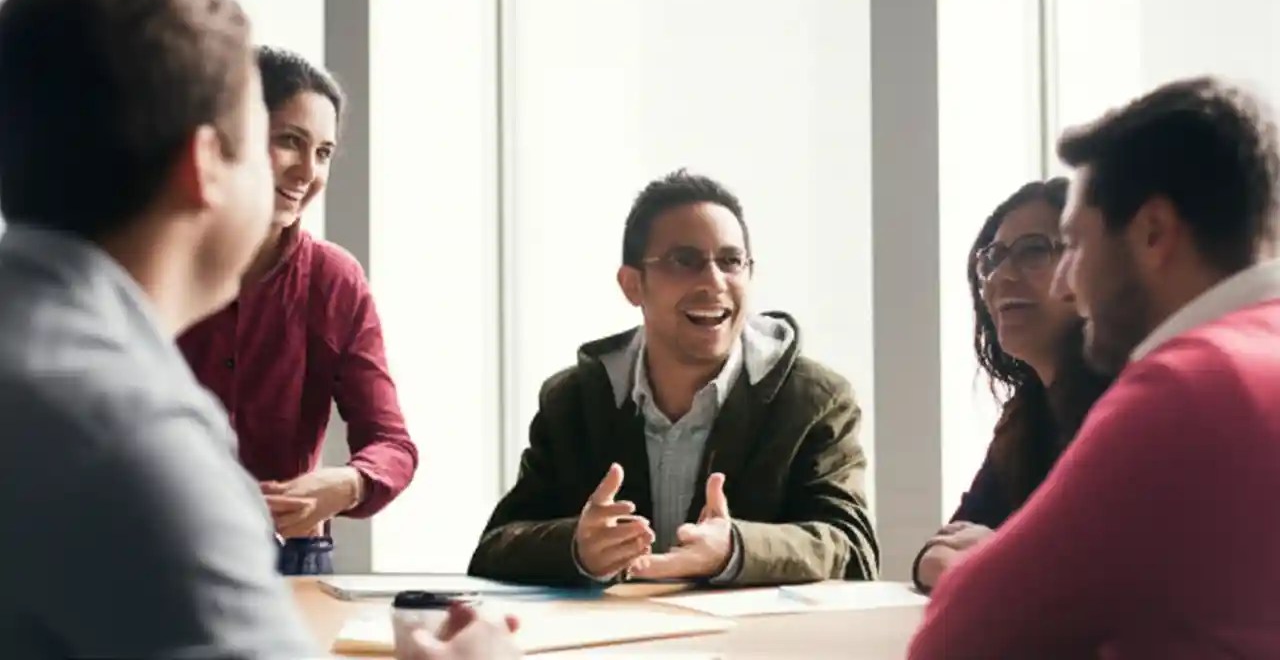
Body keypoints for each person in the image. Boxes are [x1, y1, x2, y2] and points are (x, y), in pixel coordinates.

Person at [0, 0, 515, 659]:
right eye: (269, 144)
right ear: (207, 163)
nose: (305, 174)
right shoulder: (132, 440)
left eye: (325, 152)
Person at [909, 76, 1280, 658]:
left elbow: (956, 639)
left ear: (1153, 234)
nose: (1067, 282)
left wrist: (984, 565)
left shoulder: (1186, 387)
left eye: (1074, 246)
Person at [469, 169, 879, 586]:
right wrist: (575, 546)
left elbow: (853, 550)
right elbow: (496, 546)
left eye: (731, 261)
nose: (714, 282)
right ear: (632, 285)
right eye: (685, 261)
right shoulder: (573, 400)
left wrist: (736, 550)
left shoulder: (814, 399)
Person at [178, 46, 417, 576]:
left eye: (325, 152)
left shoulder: (335, 281)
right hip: (156, 552)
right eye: (289, 142)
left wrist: (347, 483)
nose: (308, 172)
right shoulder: (163, 262)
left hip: (287, 561)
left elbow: (392, 444)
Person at [911, 178, 1112, 593]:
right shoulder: (1028, 413)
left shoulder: (1127, 405)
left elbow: (1108, 581)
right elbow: (938, 552)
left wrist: (997, 557)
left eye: (1034, 251)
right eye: (994, 258)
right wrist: (997, 560)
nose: (1001, 276)